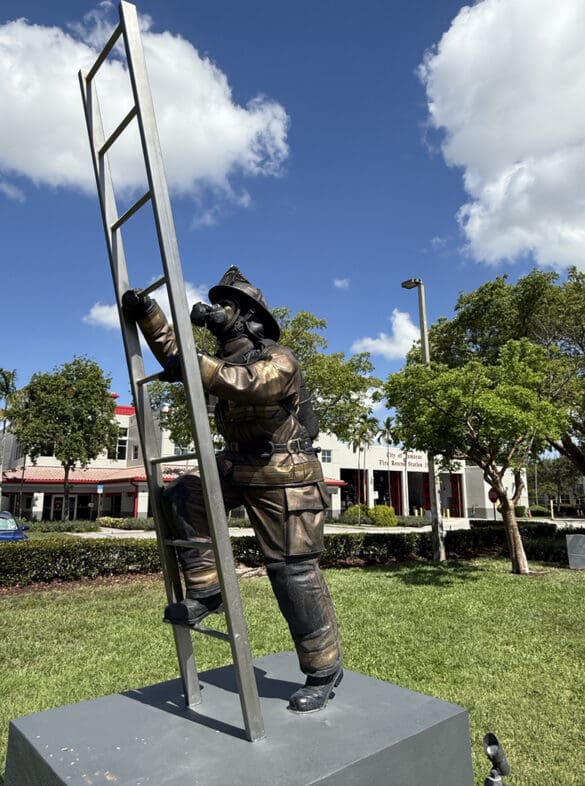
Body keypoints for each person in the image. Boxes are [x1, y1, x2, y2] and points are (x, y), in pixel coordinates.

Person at [122, 266, 342, 713]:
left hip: (286, 474)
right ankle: (206, 590)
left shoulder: (280, 359)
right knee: (184, 493)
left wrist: (192, 363)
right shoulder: (220, 363)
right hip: (239, 464)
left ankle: (323, 668)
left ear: (250, 318)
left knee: (292, 574)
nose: (217, 313)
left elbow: (247, 384)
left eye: (229, 306)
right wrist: (150, 314)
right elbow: (180, 358)